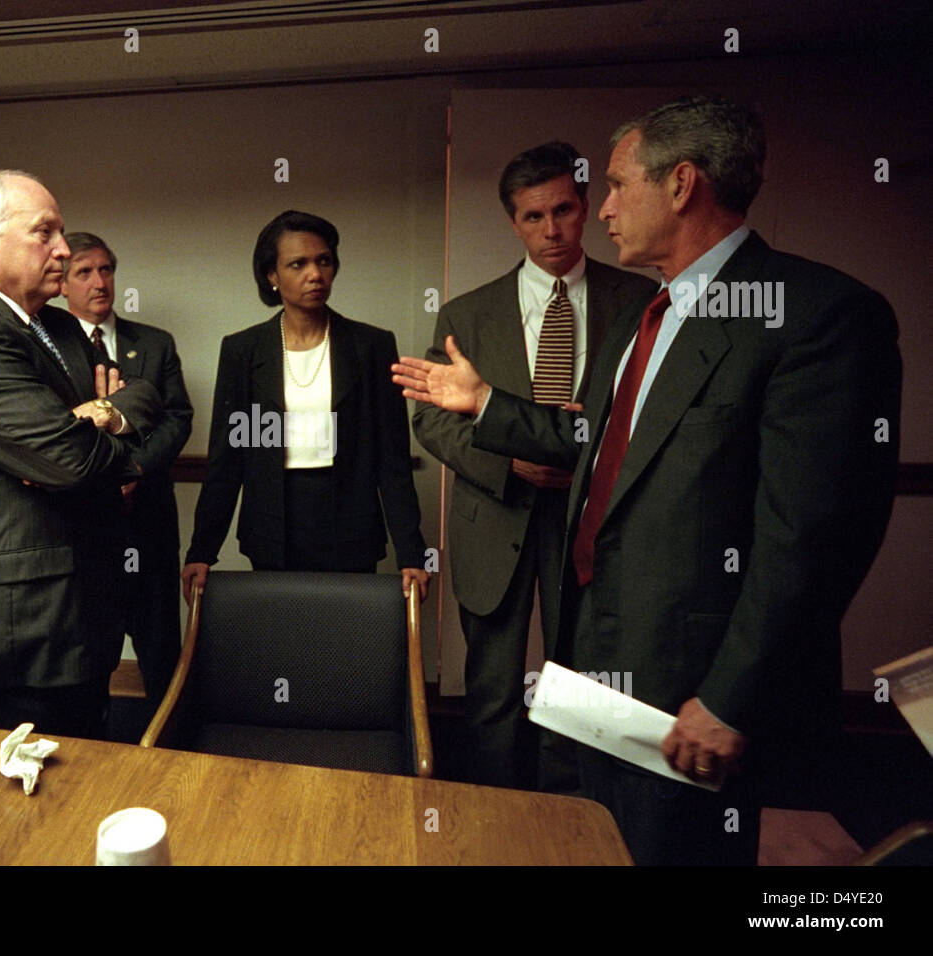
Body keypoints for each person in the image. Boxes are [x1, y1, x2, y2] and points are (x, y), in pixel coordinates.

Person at [393, 96, 901, 864]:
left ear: (682, 184)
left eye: (617, 186)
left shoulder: (817, 316)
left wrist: (732, 699)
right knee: (609, 840)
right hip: (601, 653)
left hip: (697, 681)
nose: (600, 213)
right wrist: (486, 403)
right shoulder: (648, 316)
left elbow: (812, 542)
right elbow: (597, 439)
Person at [414, 142, 656, 792]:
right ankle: (495, 826)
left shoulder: (639, 301)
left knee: (578, 694)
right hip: (495, 519)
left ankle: (572, 828)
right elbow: (432, 419)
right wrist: (509, 464)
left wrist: (583, 461)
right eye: (532, 217)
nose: (551, 231)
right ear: (512, 222)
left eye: (564, 210)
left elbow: (656, 419)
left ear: (585, 208)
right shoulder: (466, 312)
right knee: (492, 694)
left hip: (594, 524)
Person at [0, 170, 160, 739]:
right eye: (44, 232)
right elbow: (68, 460)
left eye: (62, 232)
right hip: (17, 639)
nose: (65, 250)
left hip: (84, 621)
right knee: (15, 816)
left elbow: (144, 395)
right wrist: (86, 438)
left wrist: (103, 414)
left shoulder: (61, 326)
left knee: (82, 803)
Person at [183, 210, 429, 601]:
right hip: (273, 523)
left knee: (346, 644)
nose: (315, 274)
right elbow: (226, 461)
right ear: (272, 276)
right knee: (281, 646)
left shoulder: (372, 346)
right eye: (298, 264)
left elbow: (392, 461)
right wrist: (202, 551)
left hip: (350, 520)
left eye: (324, 261)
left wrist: (412, 554)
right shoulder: (243, 350)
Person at [48, 232, 193, 706]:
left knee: (161, 653)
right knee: (85, 658)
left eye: (106, 269)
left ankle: (172, 757)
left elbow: (177, 418)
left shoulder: (154, 343)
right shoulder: (45, 348)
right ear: (63, 284)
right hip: (80, 528)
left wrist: (132, 471)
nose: (99, 281)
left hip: (147, 520)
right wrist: (102, 479)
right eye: (84, 272)